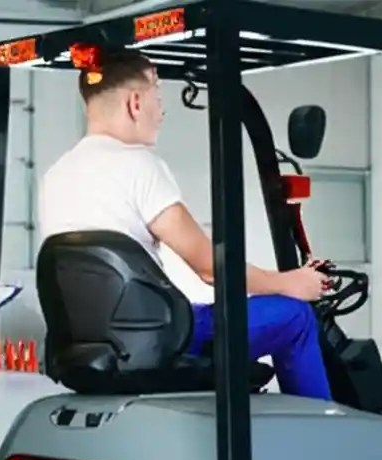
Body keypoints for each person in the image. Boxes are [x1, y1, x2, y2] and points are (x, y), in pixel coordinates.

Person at [37, 47, 334, 401]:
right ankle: (328, 437)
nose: (161, 112)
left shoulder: (56, 175)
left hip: (92, 347)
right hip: (149, 345)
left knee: (199, 312)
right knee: (295, 317)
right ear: (135, 103)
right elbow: (210, 268)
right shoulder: (138, 166)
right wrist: (288, 282)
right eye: (157, 97)